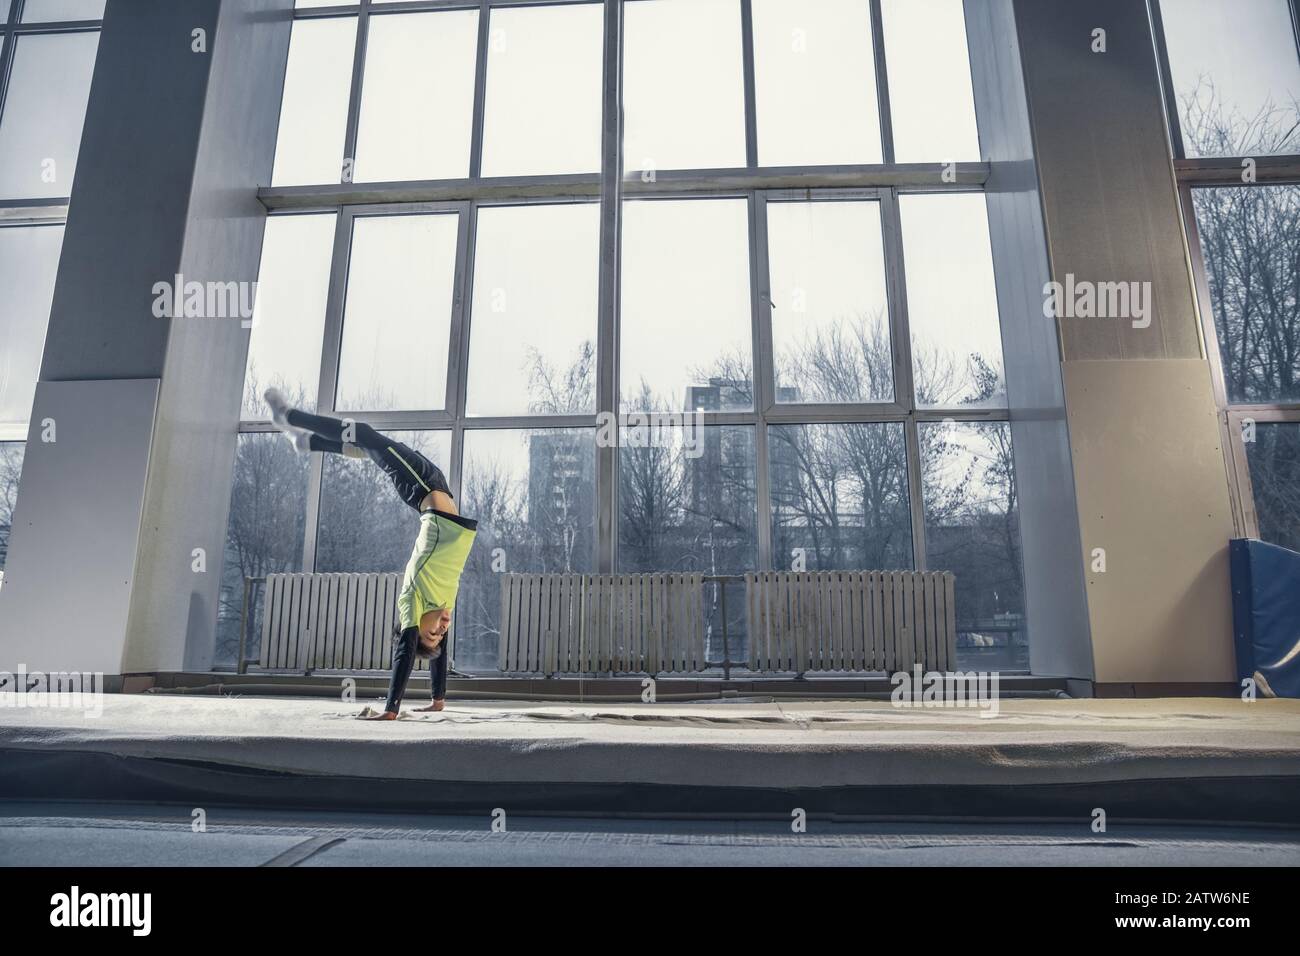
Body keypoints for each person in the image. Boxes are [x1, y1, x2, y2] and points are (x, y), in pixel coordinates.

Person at [264, 388, 477, 720]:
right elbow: (439, 651)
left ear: (415, 623)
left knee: (365, 436)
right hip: (439, 488)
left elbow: (406, 648)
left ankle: (288, 417)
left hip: (423, 489)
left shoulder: (413, 602)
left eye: (431, 632)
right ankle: (308, 443)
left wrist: (391, 709)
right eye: (441, 634)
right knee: (371, 450)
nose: (442, 629)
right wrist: (438, 700)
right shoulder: (442, 605)